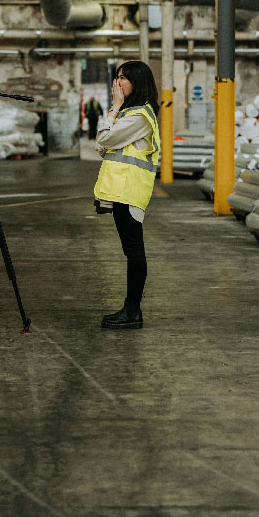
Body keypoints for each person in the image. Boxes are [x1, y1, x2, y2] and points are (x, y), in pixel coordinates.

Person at [93, 61, 161, 330]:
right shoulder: (132, 114)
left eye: (123, 78)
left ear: (138, 82)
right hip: (121, 190)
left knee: (135, 252)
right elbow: (103, 142)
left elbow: (105, 139)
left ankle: (132, 311)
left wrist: (113, 108)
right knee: (131, 251)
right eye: (117, 77)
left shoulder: (138, 117)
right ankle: (130, 309)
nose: (117, 83)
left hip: (129, 191)